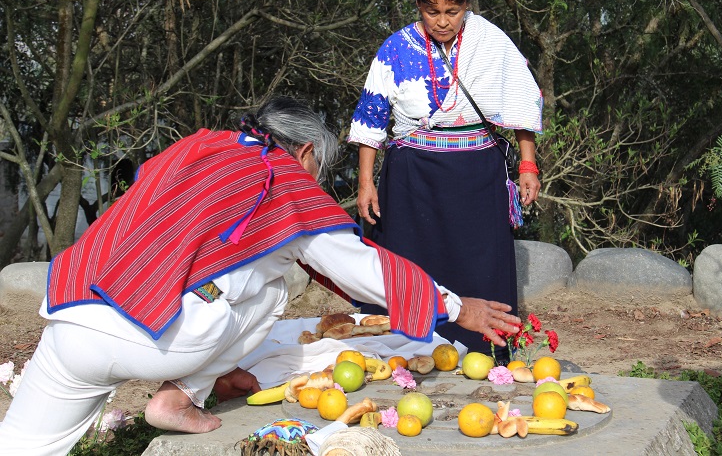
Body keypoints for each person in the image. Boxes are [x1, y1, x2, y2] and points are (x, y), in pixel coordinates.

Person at [0, 96, 521, 455]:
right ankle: (183, 392)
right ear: (306, 153)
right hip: (155, 336)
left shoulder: (198, 148)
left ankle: (205, 375)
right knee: (275, 283)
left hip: (71, 316)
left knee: (19, 446)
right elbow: (363, 267)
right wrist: (457, 307)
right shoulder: (285, 181)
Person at [348, 0, 543, 357]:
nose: (442, 21)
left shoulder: (492, 43)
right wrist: (365, 182)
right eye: (432, 11)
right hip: (412, 178)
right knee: (411, 267)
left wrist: (527, 165)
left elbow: (522, 102)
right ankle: (402, 354)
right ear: (418, 6)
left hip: (477, 174)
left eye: (452, 11)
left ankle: (484, 352)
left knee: (479, 265)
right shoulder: (396, 48)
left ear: (467, 4)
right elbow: (371, 117)